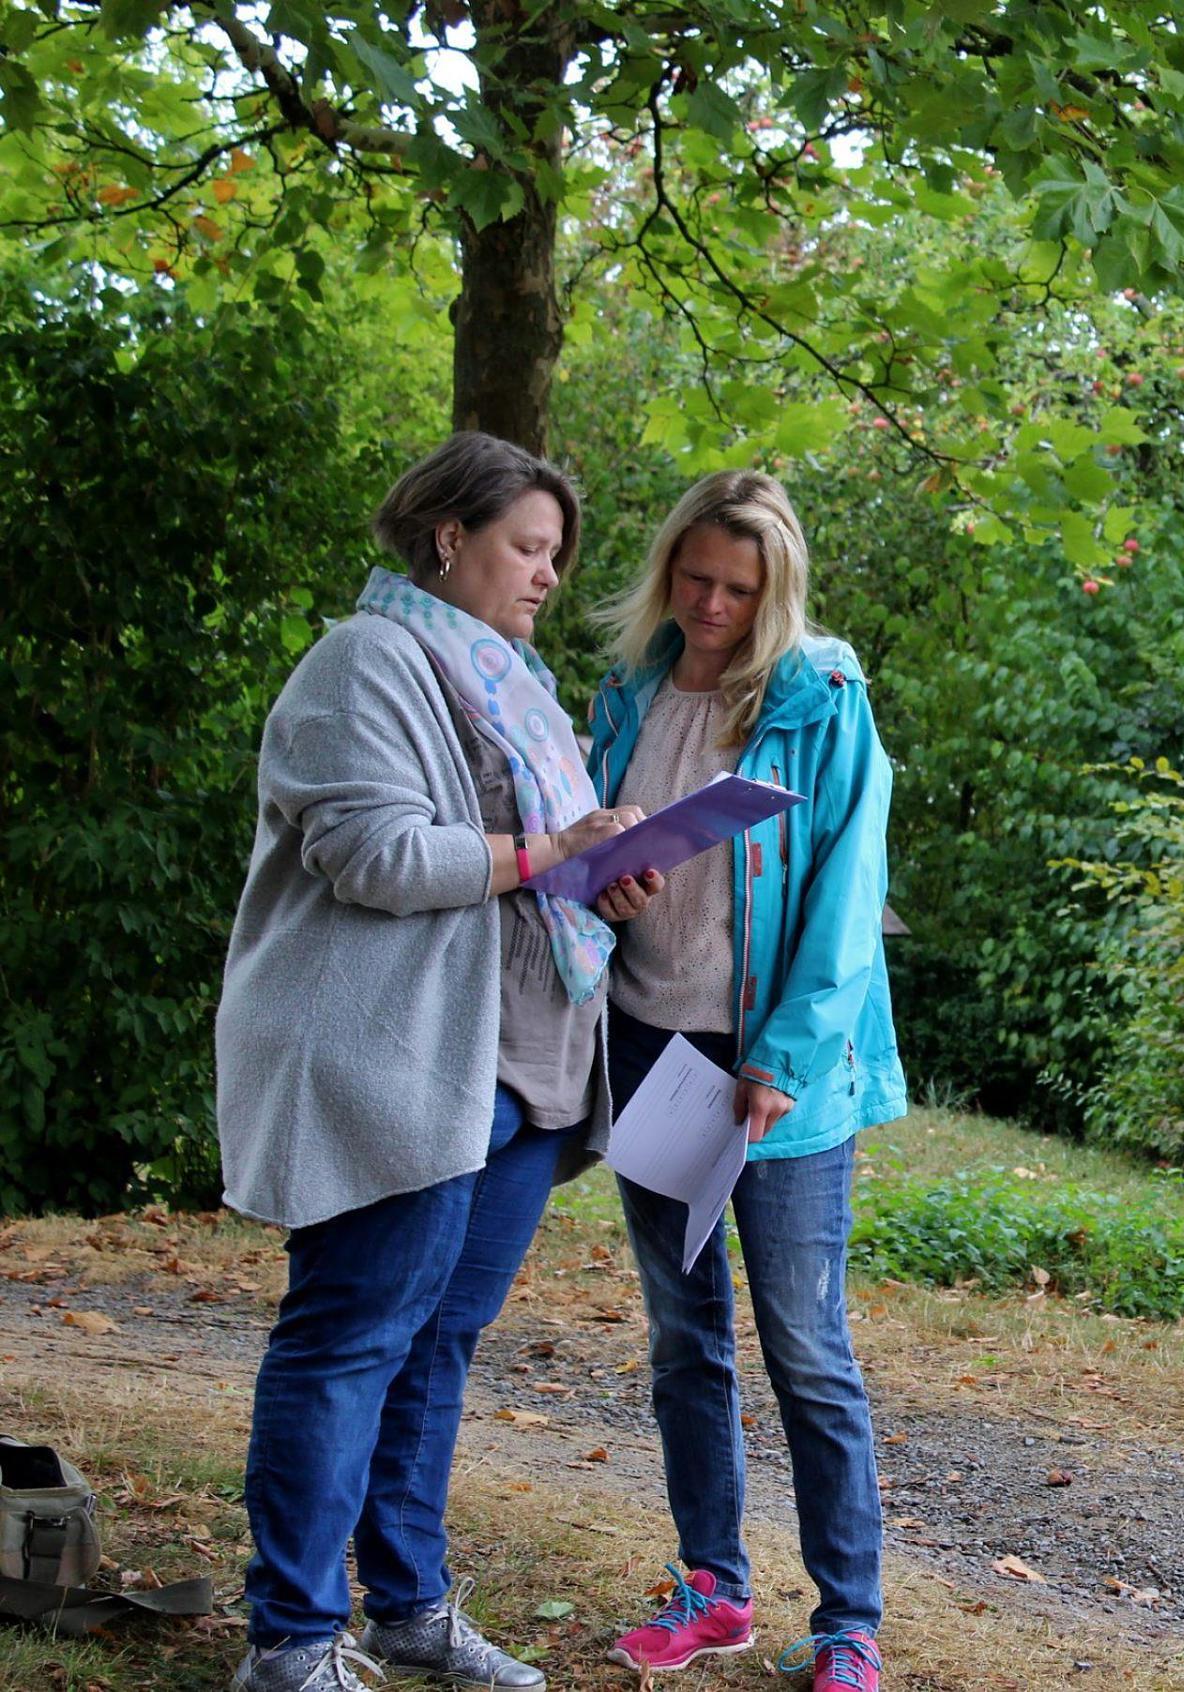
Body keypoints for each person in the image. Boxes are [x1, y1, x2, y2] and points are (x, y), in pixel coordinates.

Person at [218, 432, 664, 1692]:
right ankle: (292, 1642)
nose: (547, 576)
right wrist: (545, 851)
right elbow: (376, 857)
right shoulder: (362, 663)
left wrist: (597, 878)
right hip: (400, 1063)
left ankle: (410, 1609)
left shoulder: (508, 682)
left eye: (557, 556)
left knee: (437, 1345)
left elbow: (532, 866)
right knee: (350, 1339)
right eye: (527, 547)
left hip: (524, 1066)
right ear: (447, 537)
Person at [587, 472, 906, 1692]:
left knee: (806, 1349)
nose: (712, 604)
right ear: (669, 566)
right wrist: (608, 879)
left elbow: (846, 890)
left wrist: (784, 1056)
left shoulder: (821, 696)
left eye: (740, 587)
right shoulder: (626, 693)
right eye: (696, 577)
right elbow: (600, 852)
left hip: (781, 1074)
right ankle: (712, 1587)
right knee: (684, 1340)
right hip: (650, 1048)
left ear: (776, 591)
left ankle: (849, 1626)